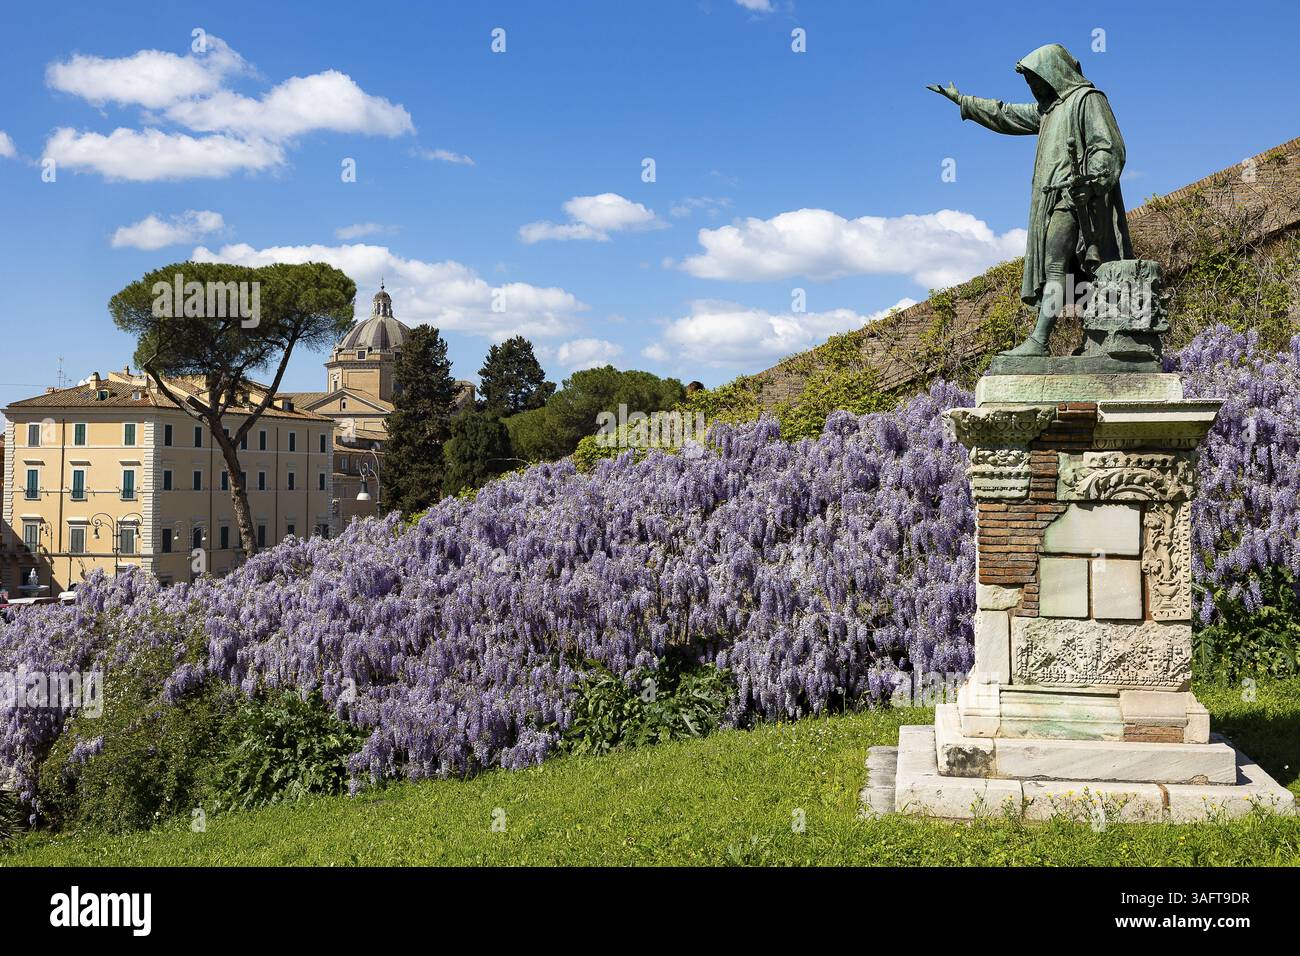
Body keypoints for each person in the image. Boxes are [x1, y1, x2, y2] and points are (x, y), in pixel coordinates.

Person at [928, 43, 1133, 356]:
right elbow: (1006, 113)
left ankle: (1039, 341)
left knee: (1061, 268)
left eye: (1038, 81)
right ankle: (1091, 340)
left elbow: (1106, 146)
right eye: (1031, 85)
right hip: (1052, 201)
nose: (1035, 89)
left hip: (1077, 198)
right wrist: (964, 100)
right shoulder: (1049, 112)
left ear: (1055, 73)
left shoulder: (1088, 100)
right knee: (1071, 272)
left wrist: (1092, 179)